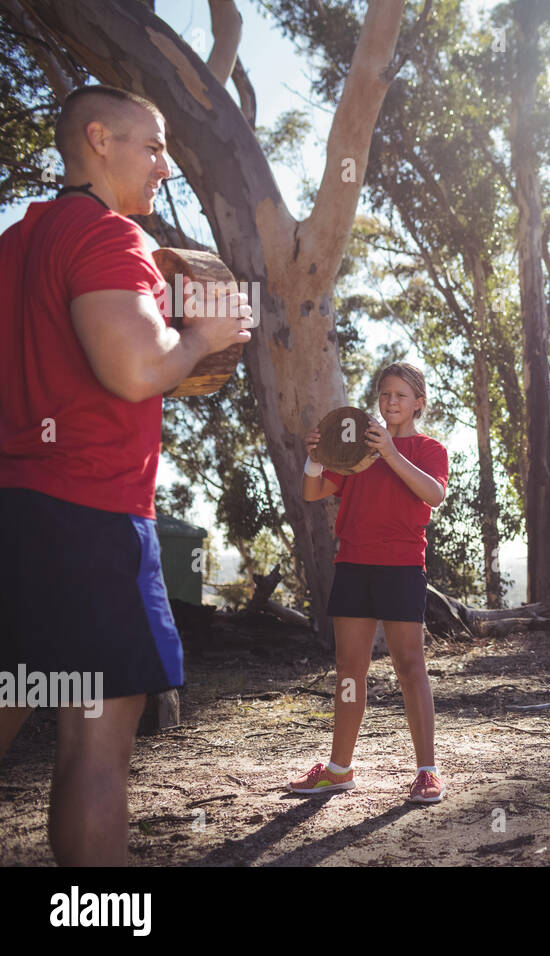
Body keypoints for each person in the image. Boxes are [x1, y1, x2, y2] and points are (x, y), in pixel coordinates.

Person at [0, 85, 251, 865]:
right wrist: (199, 335)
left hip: (14, 515)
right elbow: (138, 368)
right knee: (94, 744)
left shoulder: (14, 243)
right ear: (100, 140)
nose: (165, 166)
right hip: (90, 521)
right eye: (153, 146)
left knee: (14, 700)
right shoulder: (110, 237)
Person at [290, 363, 451, 804]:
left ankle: (426, 771)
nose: (390, 402)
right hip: (354, 566)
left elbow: (433, 495)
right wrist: (315, 456)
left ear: (418, 402)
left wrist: (392, 453)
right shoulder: (357, 448)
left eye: (400, 395)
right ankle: (339, 769)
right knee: (349, 670)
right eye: (385, 394)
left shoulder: (429, 449)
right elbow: (312, 492)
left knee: (409, 667)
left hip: (401, 567)